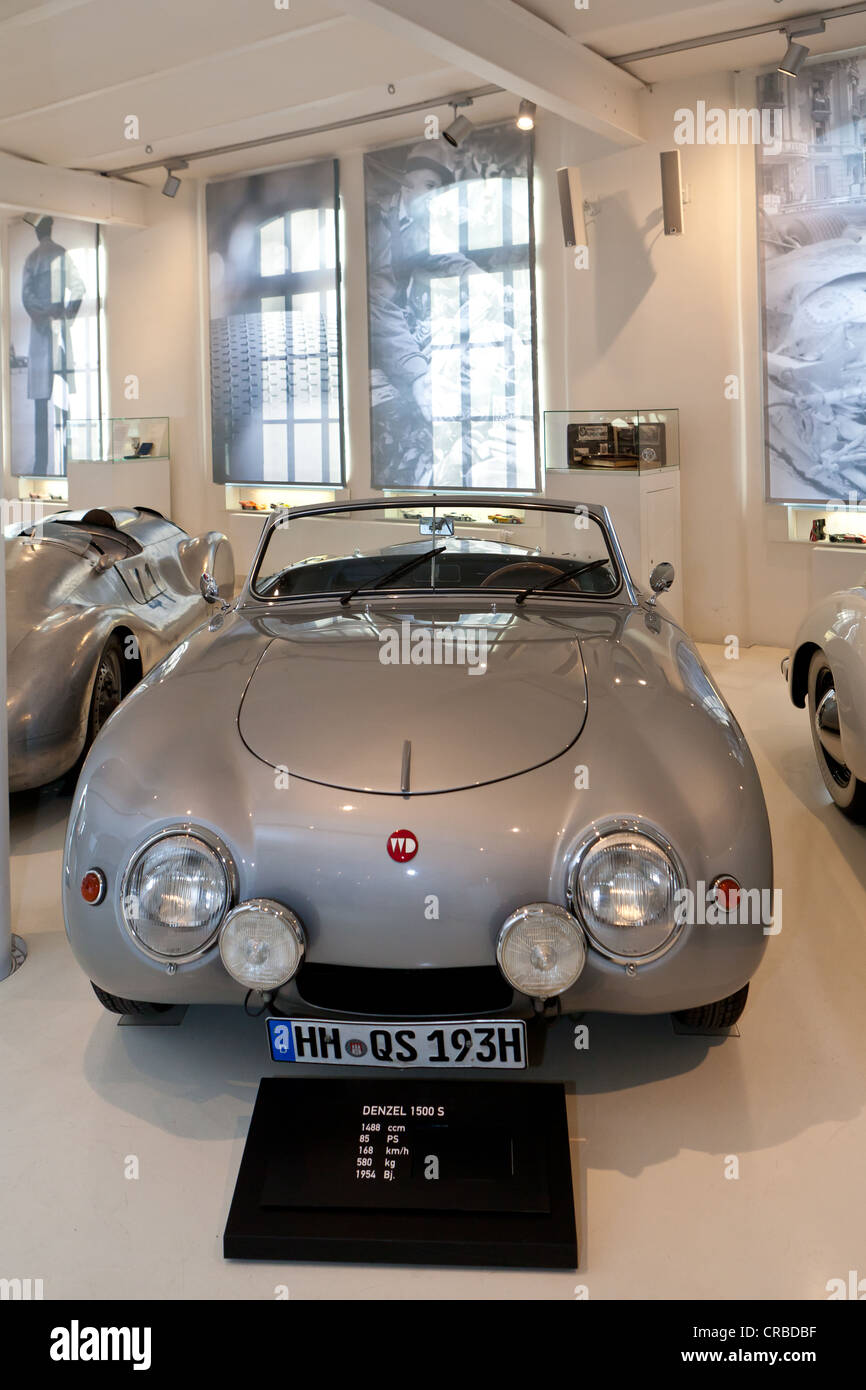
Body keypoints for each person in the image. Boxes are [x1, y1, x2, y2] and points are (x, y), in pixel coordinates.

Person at [21, 216, 85, 475]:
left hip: (41, 332)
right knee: (64, 401)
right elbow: (79, 288)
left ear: (37, 232)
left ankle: (41, 465)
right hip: (59, 331)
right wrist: (66, 314)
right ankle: (69, 460)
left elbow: (26, 296)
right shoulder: (62, 254)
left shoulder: (32, 259)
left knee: (40, 403)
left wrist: (43, 312)